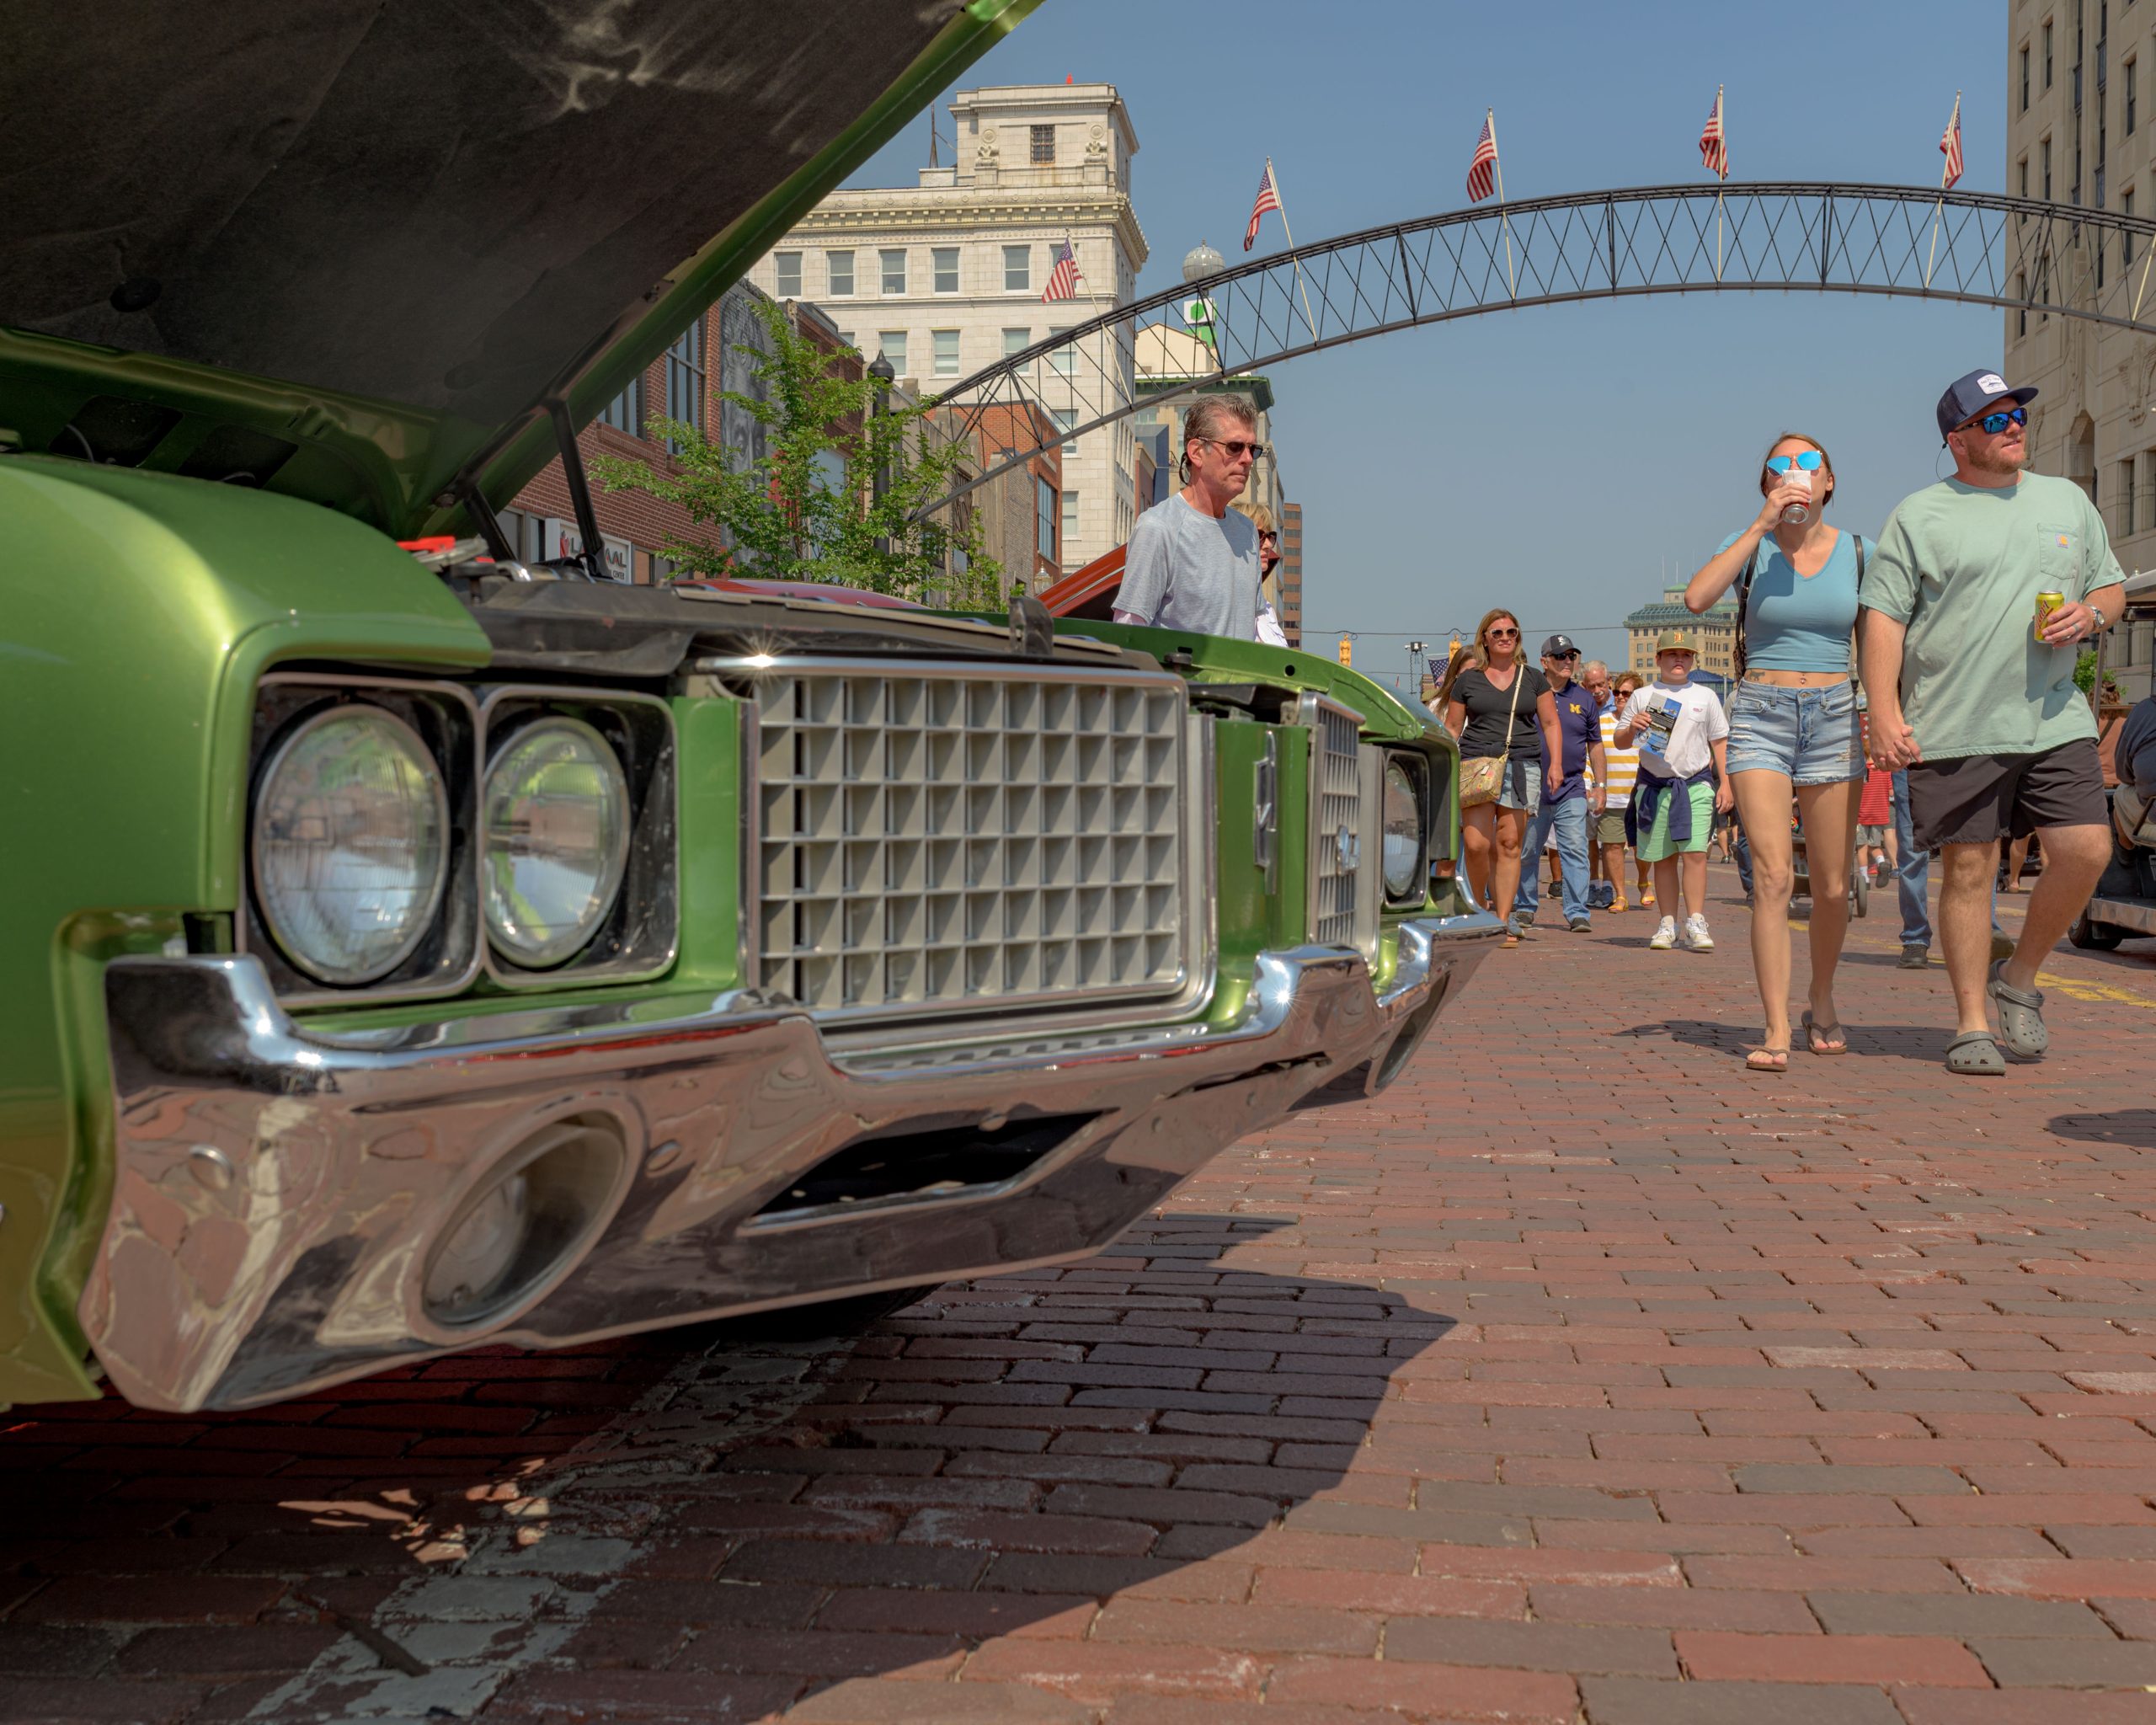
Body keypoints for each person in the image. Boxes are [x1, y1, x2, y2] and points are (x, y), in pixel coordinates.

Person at [1861, 367, 2125, 1076]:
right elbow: (1883, 616)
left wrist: (2092, 613)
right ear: (1958, 441)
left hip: (2053, 716)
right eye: (1995, 420)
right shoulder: (1919, 515)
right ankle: (1972, 1023)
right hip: (1952, 722)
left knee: (2086, 850)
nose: (2014, 429)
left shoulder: (2066, 501)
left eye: (2018, 417)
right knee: (1969, 872)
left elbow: (2109, 585)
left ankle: (2021, 980)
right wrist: (1883, 711)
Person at [1683, 434, 1865, 1068]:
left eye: (1807, 465)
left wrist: (1896, 718)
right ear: (1765, 484)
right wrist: (1760, 524)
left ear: (1829, 481)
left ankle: (1821, 995)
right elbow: (1698, 597)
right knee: (1772, 877)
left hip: (1836, 713)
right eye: (1780, 468)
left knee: (1835, 884)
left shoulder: (1858, 553)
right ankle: (1775, 1028)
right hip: (1760, 713)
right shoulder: (1753, 546)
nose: (1795, 476)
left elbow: (1881, 644)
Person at [1444, 609, 1561, 946]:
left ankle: (1502, 920)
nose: (1505, 637)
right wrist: (1438, 758)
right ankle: (1480, 905)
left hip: (1522, 764)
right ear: (1485, 638)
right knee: (1476, 844)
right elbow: (1452, 727)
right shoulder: (1468, 680)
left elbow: (1551, 724)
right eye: (1497, 632)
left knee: (1510, 845)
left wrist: (1555, 766)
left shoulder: (1534, 678)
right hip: (1476, 764)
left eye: (1511, 631)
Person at [1615, 630, 1732, 952]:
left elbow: (1719, 742)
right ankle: (1668, 922)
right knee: (1663, 859)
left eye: (1685, 655)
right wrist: (1633, 728)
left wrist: (1727, 783)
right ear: (1658, 660)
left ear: (1693, 660)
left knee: (1695, 854)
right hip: (1655, 786)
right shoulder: (1641, 696)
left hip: (1695, 785)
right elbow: (1620, 741)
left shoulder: (1706, 696)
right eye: (1671, 654)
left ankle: (1696, 920)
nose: (1679, 660)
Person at [1115, 396, 1262, 639]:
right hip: (1177, 678)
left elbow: (1256, 630)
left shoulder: (1248, 533)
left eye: (1252, 449)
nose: (1247, 459)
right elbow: (1128, 633)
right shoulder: (1159, 528)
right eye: (1235, 447)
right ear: (1196, 452)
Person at [1513, 635, 1606, 932]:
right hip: (1532, 786)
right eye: (1560, 656)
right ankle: (1525, 907)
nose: (1567, 662)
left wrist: (1601, 785)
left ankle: (1578, 912)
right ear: (1545, 662)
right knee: (1528, 851)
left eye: (1571, 656)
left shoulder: (1584, 698)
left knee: (1576, 850)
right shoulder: (1527, 694)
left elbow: (1596, 746)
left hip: (1572, 788)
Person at [1606, 670, 1653, 909]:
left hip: (1640, 791)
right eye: (1617, 692)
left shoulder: (1648, 725)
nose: (1620, 697)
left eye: (1626, 693)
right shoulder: (1602, 721)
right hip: (1612, 793)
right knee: (1613, 845)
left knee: (1640, 845)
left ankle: (1644, 882)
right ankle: (1620, 895)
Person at [1245, 503, 1291, 648]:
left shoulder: (1268, 609)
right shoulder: (1226, 602)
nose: (1268, 545)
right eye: (1259, 535)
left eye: (1270, 536)